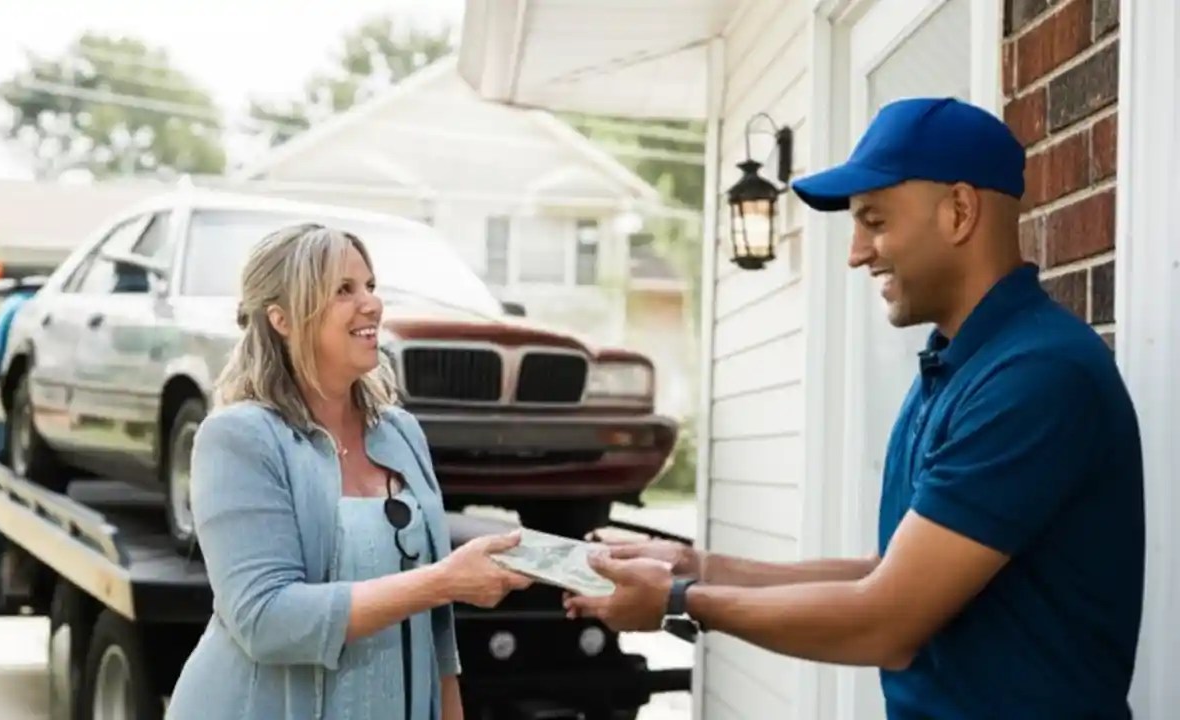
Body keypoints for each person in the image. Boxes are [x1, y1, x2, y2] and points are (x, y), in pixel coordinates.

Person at [565, 97, 1145, 719]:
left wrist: (681, 598)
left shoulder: (1036, 375)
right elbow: (888, 573)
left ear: (959, 211)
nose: (856, 252)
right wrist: (698, 564)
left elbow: (886, 622)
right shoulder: (955, 367)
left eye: (873, 220)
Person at [166, 223, 533, 720]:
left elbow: (436, 632)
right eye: (343, 290)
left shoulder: (401, 432)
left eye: (370, 286)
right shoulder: (239, 438)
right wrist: (444, 580)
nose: (371, 304)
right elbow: (265, 619)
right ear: (282, 318)